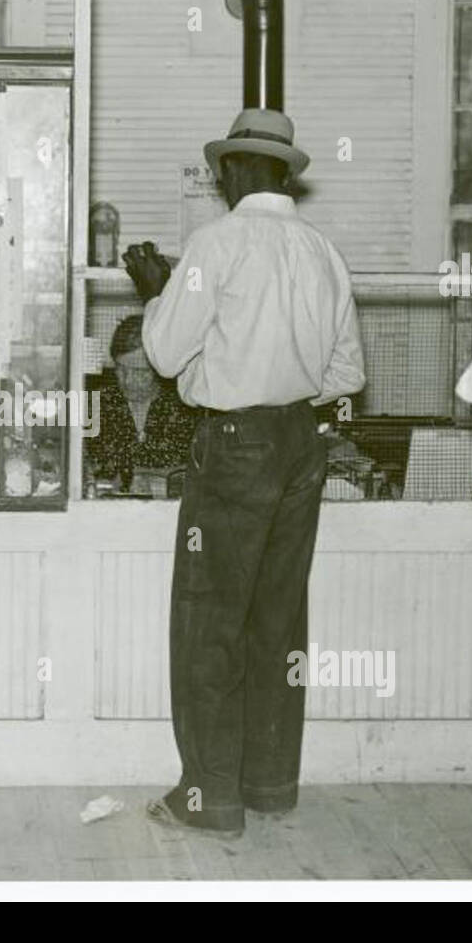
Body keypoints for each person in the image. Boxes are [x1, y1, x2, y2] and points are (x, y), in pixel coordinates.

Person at [127, 107, 366, 838]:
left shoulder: (216, 242)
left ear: (230, 172)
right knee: (277, 622)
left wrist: (158, 291)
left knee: (210, 622)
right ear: (284, 174)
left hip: (233, 448)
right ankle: (269, 786)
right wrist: (279, 381)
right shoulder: (324, 252)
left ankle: (208, 800)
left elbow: (165, 357)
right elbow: (346, 373)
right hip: (302, 444)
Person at [87, 315, 197, 491]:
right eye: (121, 369)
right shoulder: (96, 405)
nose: (128, 380)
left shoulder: (186, 407)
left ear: (159, 369)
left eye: (139, 372)